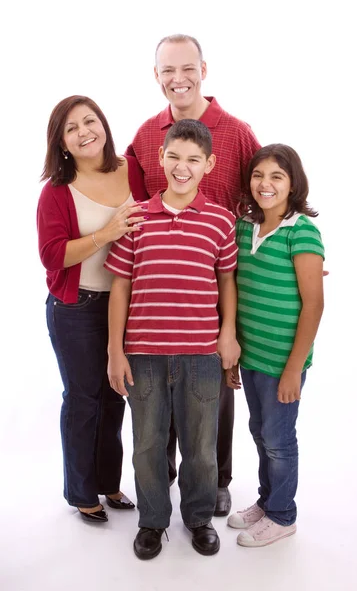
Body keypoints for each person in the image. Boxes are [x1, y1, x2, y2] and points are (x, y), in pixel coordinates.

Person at [125, 33, 261, 516]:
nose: (178, 79)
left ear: (204, 68)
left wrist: (293, 249)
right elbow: (132, 205)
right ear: (156, 75)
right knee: (154, 399)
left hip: (220, 276)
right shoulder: (144, 135)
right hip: (159, 291)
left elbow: (269, 189)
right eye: (167, 71)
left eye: (187, 69)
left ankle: (215, 478)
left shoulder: (236, 131)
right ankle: (158, 477)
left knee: (214, 387)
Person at [105, 119, 240, 559]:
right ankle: (152, 520)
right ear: (161, 158)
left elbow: (227, 284)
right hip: (143, 355)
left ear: (209, 165)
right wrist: (114, 351)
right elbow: (121, 286)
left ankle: (198, 518)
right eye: (175, 157)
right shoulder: (137, 218)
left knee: (201, 446)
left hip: (201, 354)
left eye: (193, 160)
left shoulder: (220, 222)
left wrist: (227, 336)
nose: (183, 167)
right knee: (147, 443)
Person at [37, 95, 148, 523]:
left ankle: (109, 482)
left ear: (103, 124)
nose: (84, 132)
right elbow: (52, 256)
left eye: (90, 121)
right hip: (77, 307)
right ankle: (82, 492)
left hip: (128, 302)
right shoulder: (57, 191)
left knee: (116, 395)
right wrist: (107, 233)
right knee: (84, 399)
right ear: (62, 143)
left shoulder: (132, 169)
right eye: (71, 128)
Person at [225, 144, 325, 547]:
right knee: (259, 431)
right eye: (258, 175)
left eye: (276, 177)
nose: (265, 184)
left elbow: (314, 304)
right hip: (252, 358)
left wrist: (292, 368)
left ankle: (283, 516)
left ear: (293, 183)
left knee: (280, 441)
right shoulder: (244, 227)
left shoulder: (302, 231)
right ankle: (268, 502)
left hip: (284, 362)